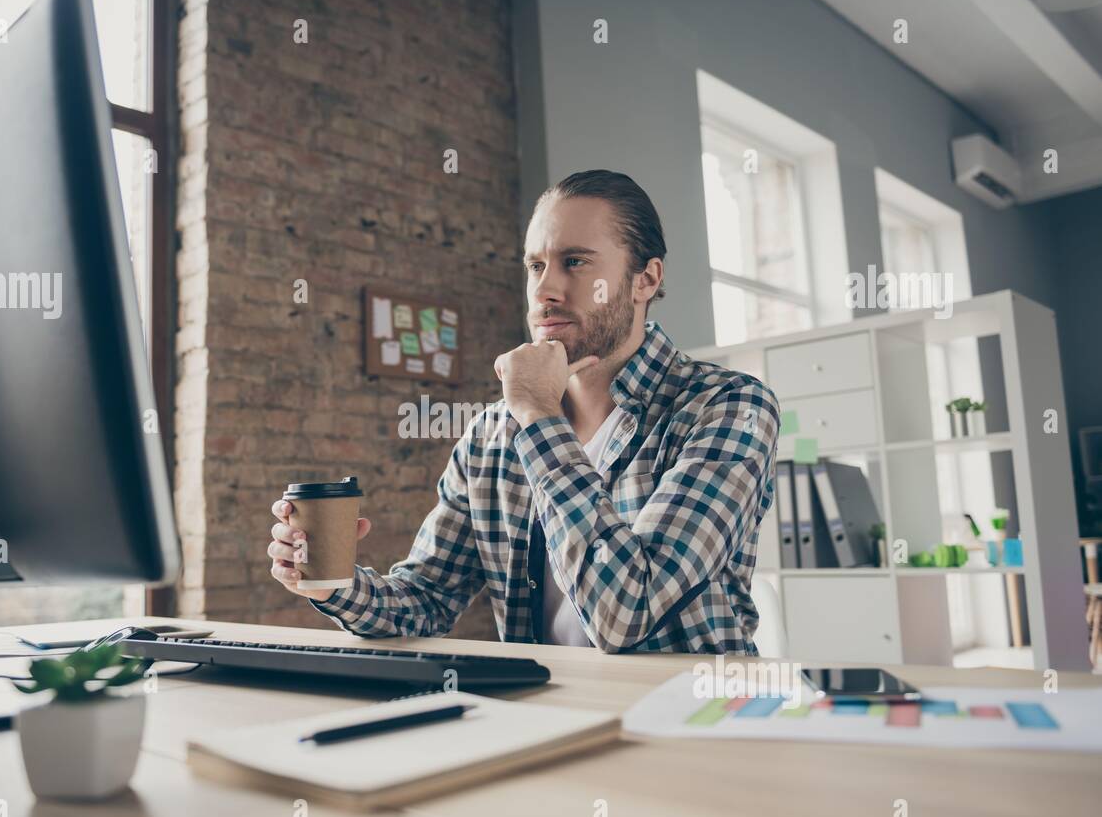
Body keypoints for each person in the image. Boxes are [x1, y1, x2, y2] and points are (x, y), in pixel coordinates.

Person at [268, 170, 779, 653]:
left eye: (575, 262)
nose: (544, 291)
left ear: (645, 279)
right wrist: (333, 582)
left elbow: (628, 611)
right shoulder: (491, 434)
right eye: (536, 266)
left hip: (688, 722)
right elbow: (425, 599)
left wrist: (538, 416)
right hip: (550, 716)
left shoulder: (729, 408)